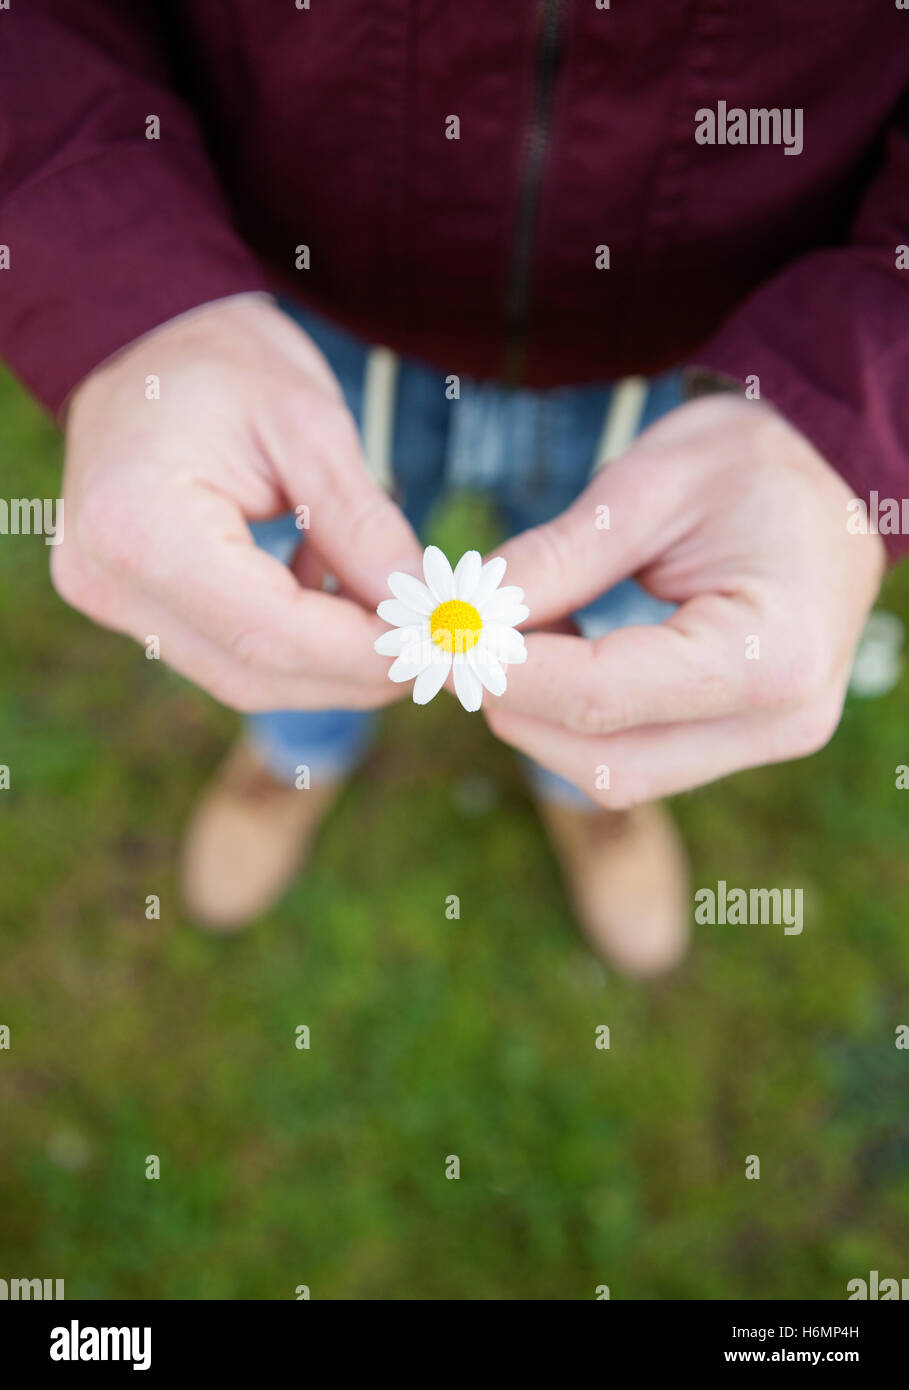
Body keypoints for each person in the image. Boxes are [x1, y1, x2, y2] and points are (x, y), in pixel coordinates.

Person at [0, 4, 904, 975]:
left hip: (698, 341)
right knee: (293, 599)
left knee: (630, 621)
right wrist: (119, 292)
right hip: (301, 298)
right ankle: (295, 753)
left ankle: (592, 791)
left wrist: (861, 406)